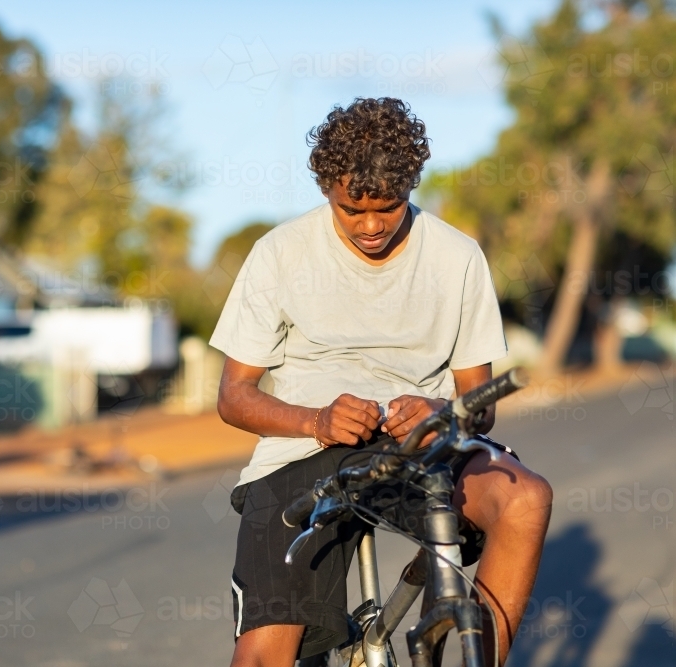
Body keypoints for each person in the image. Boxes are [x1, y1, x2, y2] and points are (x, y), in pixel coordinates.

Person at [209, 97, 553, 667]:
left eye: (388, 208)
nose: (371, 226)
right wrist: (315, 420)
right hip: (304, 454)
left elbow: (478, 404)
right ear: (327, 190)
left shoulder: (457, 257)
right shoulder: (279, 253)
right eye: (352, 210)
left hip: (422, 447)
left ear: (411, 183)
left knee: (525, 499)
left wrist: (442, 414)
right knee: (263, 657)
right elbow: (233, 396)